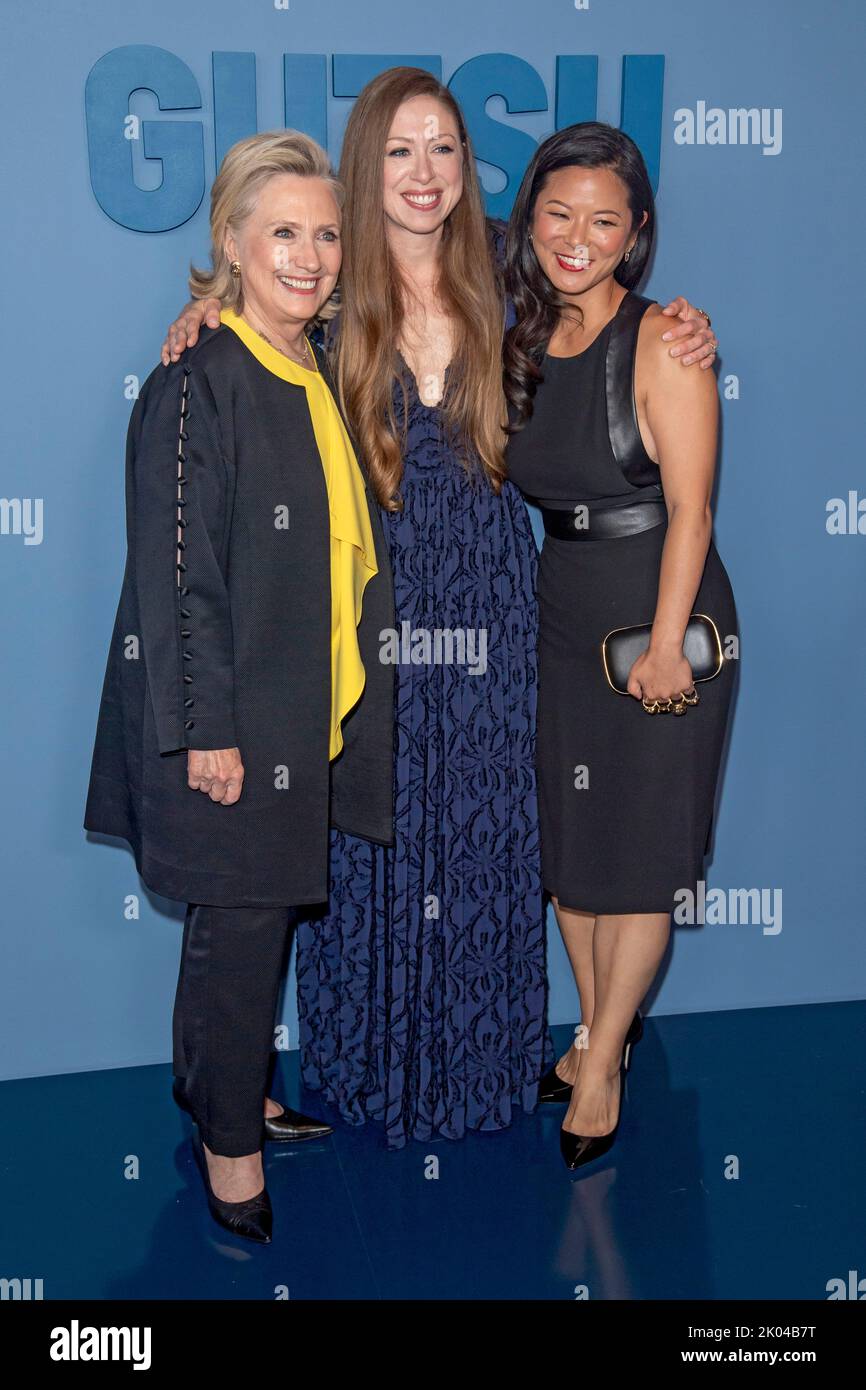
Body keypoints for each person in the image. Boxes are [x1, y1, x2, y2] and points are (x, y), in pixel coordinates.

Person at [163, 69, 718, 1152]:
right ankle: (367, 1062)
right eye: (401, 151)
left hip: (497, 613)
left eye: (445, 151)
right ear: (365, 164)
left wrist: (679, 321)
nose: (423, 174)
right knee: (368, 842)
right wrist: (204, 307)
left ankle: (480, 1062)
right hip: (364, 614)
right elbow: (246, 314)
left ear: (467, 171)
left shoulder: (511, 272)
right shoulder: (321, 288)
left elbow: (608, 295)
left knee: (486, 842)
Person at [84, 131, 394, 1240]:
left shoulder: (307, 363)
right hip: (230, 719)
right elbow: (179, 577)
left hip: (291, 703)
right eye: (282, 235)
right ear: (231, 243)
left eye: (323, 234)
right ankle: (229, 1146)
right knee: (245, 921)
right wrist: (207, 730)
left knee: (236, 921)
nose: (308, 257)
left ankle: (218, 1084)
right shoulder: (196, 377)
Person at [504, 122, 738, 1171]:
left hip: (663, 615)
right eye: (558, 213)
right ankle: (601, 1030)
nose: (576, 236)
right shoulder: (511, 329)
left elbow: (691, 508)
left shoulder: (662, 340)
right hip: (563, 609)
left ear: (633, 235)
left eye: (603, 220)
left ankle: (596, 1068)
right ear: (530, 219)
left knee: (637, 856)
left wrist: (661, 647)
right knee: (574, 852)